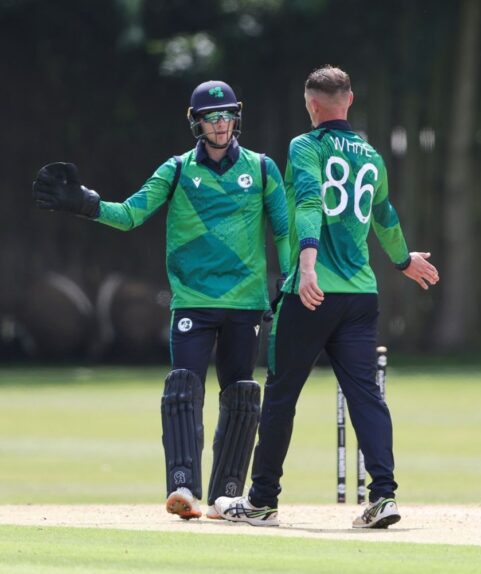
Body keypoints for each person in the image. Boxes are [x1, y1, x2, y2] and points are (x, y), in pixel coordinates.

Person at [32, 80, 291, 521]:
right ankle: (183, 488)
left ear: (236, 118)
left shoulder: (263, 169)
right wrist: (84, 203)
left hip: (246, 303)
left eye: (227, 115)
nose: (221, 124)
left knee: (242, 393)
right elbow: (131, 214)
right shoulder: (176, 170)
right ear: (196, 123)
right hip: (192, 299)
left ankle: (227, 493)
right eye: (212, 117)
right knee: (182, 387)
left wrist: (286, 281)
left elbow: (283, 229)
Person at [213, 65, 439, 529]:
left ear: (310, 104)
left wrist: (310, 264)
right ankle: (383, 496)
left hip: (312, 293)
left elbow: (311, 201)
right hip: (361, 296)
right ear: (349, 100)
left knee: (281, 396)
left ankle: (262, 501)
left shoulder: (304, 146)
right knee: (367, 397)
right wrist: (402, 261)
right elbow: (384, 214)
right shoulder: (372, 155)